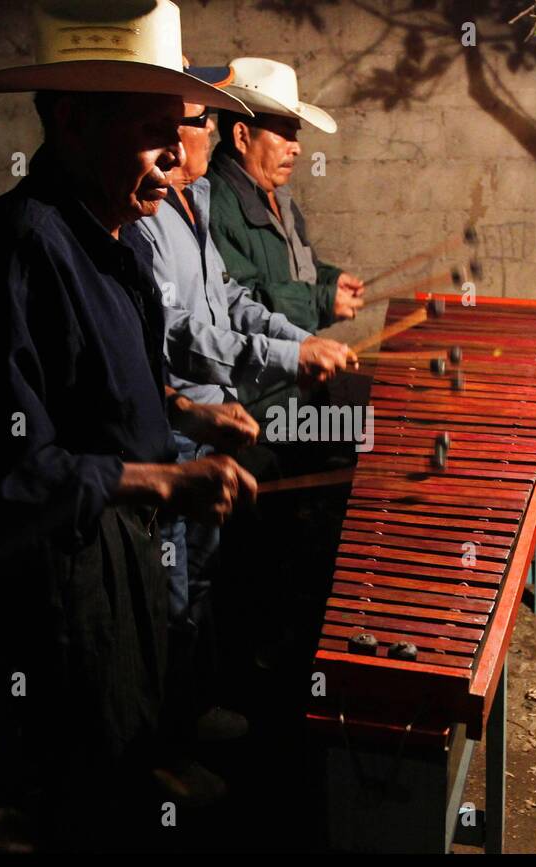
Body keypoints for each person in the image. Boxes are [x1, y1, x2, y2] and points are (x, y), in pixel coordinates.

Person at [0, 0, 259, 842]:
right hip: (67, 581)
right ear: (75, 124)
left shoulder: (113, 240)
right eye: (157, 132)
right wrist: (162, 476)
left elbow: (113, 391)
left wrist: (188, 415)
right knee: (89, 777)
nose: (175, 159)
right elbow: (8, 467)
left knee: (135, 734)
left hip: (127, 553)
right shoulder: (11, 251)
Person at [123, 65, 353, 756]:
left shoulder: (190, 205)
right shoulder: (150, 218)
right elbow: (180, 334)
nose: (201, 136)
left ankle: (192, 712)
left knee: (198, 587)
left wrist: (301, 339)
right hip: (174, 429)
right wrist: (288, 356)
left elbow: (235, 301)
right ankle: (158, 752)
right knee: (168, 594)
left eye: (192, 123)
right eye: (199, 121)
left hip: (214, 419)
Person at [207, 58, 365, 340]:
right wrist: (321, 302)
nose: (298, 148)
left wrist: (329, 280)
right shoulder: (215, 207)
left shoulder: (278, 195)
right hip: (259, 379)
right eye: (284, 133)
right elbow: (240, 303)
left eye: (296, 135)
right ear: (242, 136)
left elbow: (291, 271)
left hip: (294, 368)